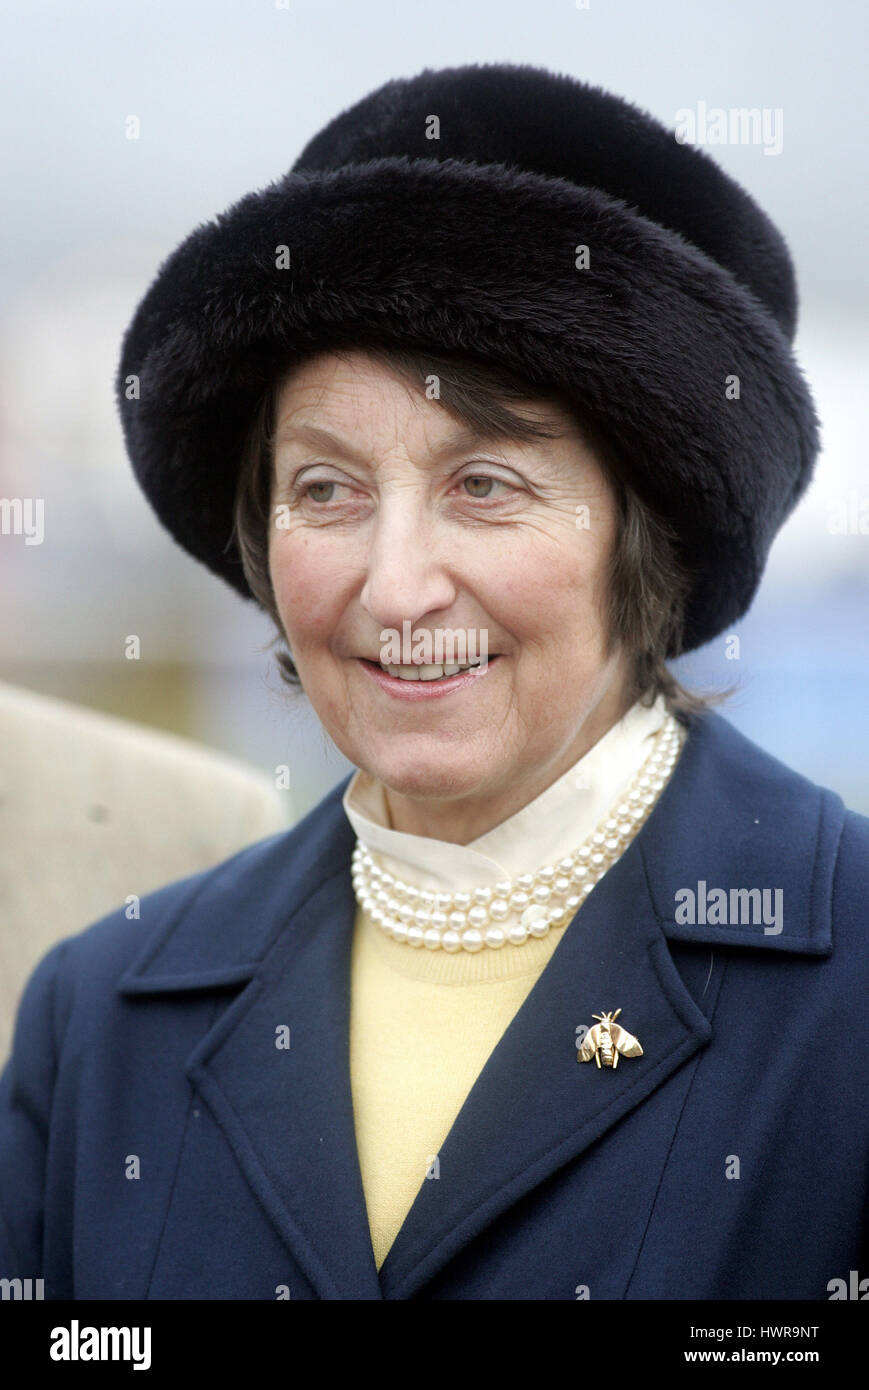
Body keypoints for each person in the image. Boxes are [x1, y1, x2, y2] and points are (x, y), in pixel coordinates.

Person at [1, 62, 866, 1302]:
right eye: (325, 489)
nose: (395, 588)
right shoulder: (101, 1021)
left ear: (641, 531)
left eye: (484, 485)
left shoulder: (844, 993)